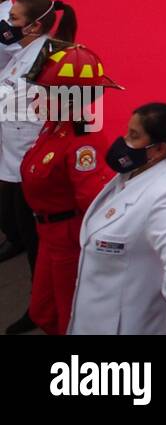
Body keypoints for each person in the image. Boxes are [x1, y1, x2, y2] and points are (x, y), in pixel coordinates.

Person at [68, 103, 166, 335]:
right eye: (128, 131)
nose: (124, 140)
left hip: (133, 324)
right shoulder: (134, 172)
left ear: (159, 149)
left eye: (134, 136)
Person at [20, 42, 119, 335]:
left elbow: (93, 201)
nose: (36, 96)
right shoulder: (55, 124)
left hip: (69, 240)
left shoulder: (82, 140)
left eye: (44, 92)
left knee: (69, 319)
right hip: (48, 234)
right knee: (43, 311)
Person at [0, 0, 78, 333]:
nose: (7, 24)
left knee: (38, 245)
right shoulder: (23, 52)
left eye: (13, 19)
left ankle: (40, 307)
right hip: (15, 161)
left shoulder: (49, 58)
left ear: (33, 26)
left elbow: (19, 103)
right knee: (25, 232)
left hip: (33, 167)